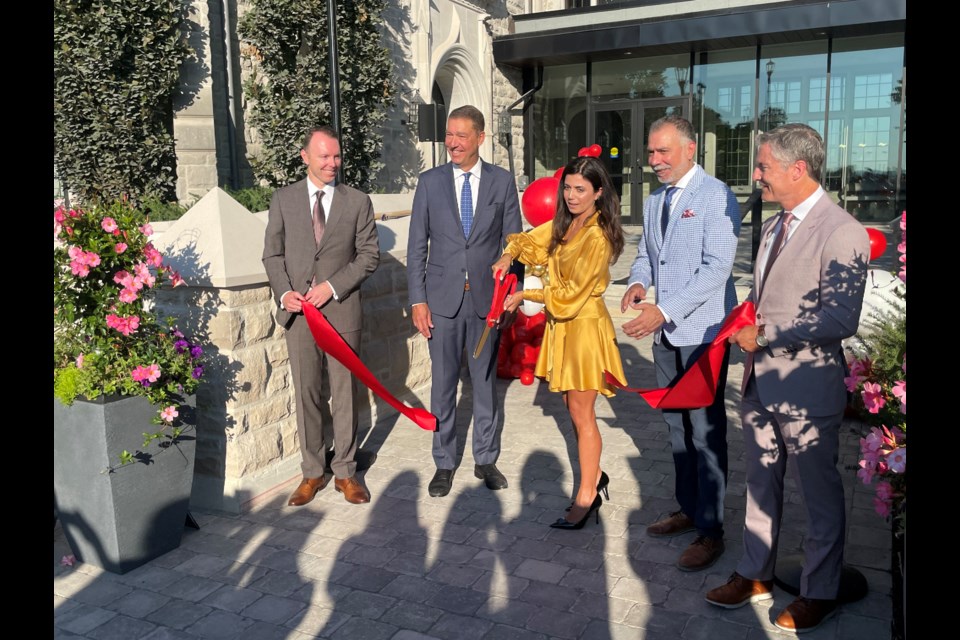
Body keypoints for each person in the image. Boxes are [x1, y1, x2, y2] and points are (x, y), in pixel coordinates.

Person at [705, 123, 869, 633]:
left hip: (806, 390)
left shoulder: (843, 230)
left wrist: (766, 332)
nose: (756, 176)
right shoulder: (776, 225)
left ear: (798, 169)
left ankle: (820, 591)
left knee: (818, 495)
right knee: (760, 484)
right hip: (759, 384)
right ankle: (755, 572)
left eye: (764, 168)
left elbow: (842, 318)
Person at [620, 115, 740, 571]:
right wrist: (637, 282)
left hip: (703, 335)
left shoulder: (716, 197)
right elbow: (648, 254)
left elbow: (716, 269)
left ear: (690, 149)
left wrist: (664, 311)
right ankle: (688, 509)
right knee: (676, 429)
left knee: (706, 433)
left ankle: (711, 531)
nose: (654, 161)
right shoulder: (654, 201)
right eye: (651, 153)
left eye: (663, 152)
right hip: (666, 335)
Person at [492, 155, 626, 529]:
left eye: (580, 189)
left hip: (583, 329)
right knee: (573, 410)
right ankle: (593, 476)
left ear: (599, 193)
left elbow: (569, 295)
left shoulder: (596, 235)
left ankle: (588, 494)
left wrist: (523, 297)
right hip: (563, 327)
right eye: (567, 187)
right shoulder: (566, 224)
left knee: (583, 415)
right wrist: (506, 257)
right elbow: (528, 241)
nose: (571, 195)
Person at [407, 105, 523, 498]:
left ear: (480, 138)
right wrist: (417, 300)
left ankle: (486, 458)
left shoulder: (502, 181)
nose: (452, 143)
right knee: (442, 385)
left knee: (485, 384)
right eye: (449, 135)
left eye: (461, 136)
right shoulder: (430, 182)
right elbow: (415, 247)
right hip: (441, 302)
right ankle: (444, 462)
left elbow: (515, 241)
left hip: (487, 304)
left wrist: (511, 285)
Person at [263, 126, 380, 506]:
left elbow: (368, 256)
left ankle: (346, 472)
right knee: (307, 393)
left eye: (336, 156)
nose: (332, 163)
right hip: (299, 316)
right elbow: (272, 255)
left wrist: (332, 286)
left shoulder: (357, 201)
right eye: (324, 156)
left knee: (345, 394)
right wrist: (284, 293)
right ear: (305, 157)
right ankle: (313, 471)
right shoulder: (283, 200)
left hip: (341, 312)